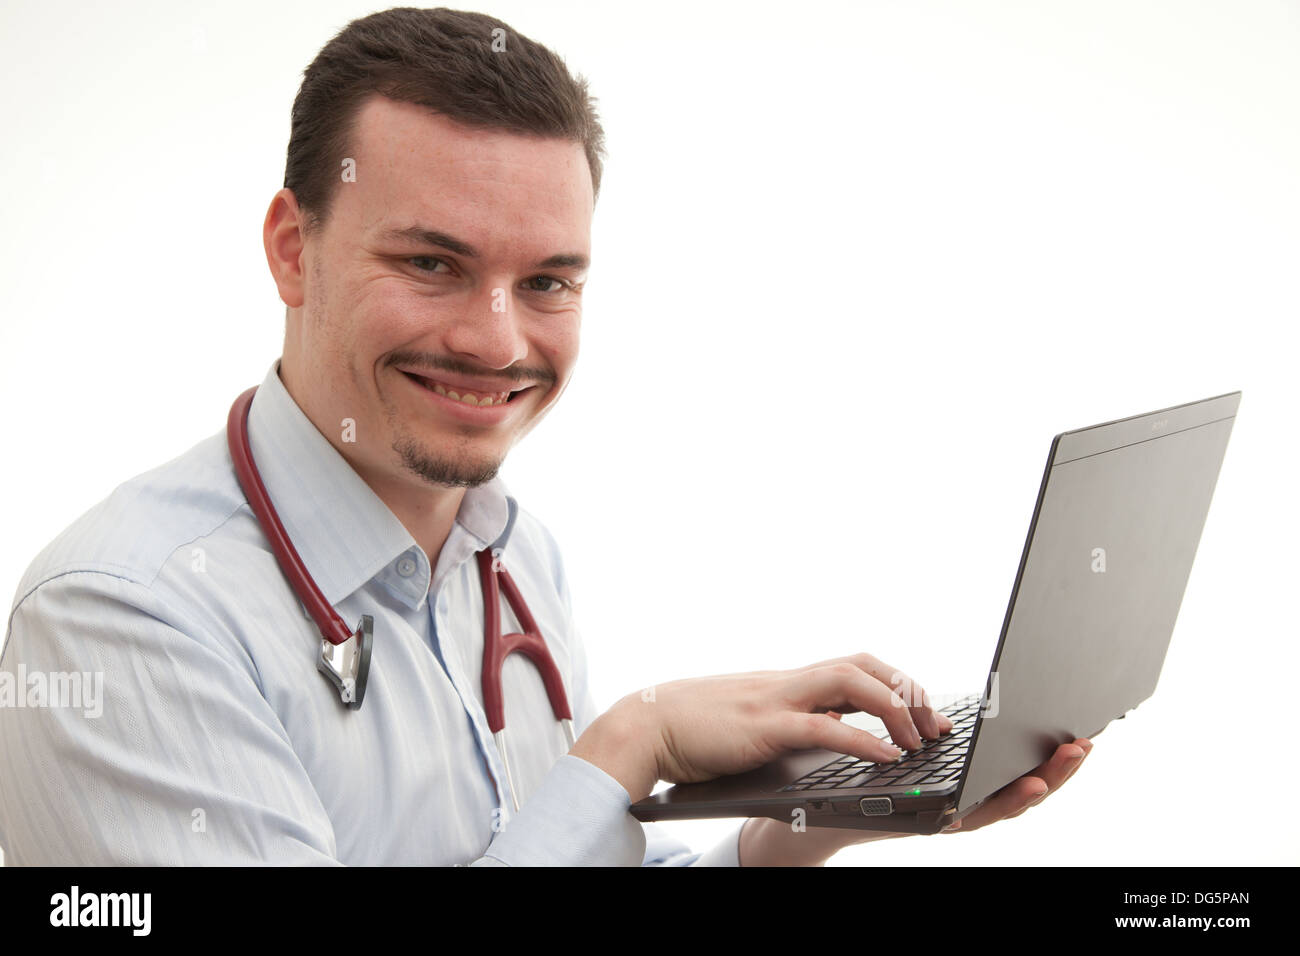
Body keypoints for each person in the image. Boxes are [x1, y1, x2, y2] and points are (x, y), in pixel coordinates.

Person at [0, 7, 1090, 866]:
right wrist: (630, 743)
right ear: (294, 248)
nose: (495, 337)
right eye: (432, 263)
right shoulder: (122, 619)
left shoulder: (511, 557)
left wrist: (810, 822)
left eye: (548, 280)